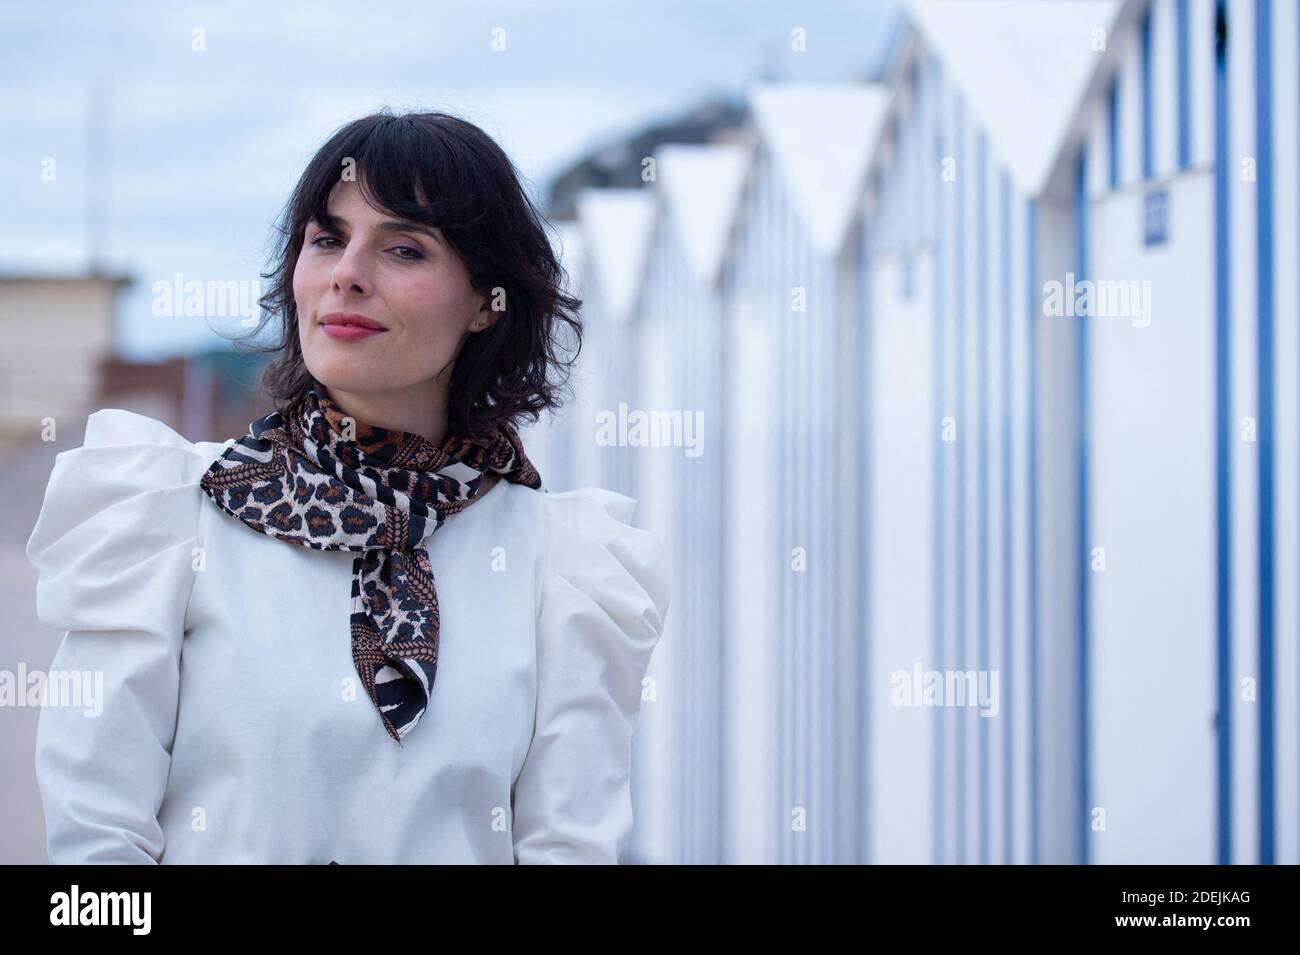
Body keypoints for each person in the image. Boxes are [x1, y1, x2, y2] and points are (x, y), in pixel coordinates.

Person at [25, 110, 671, 864]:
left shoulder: (566, 563)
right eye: (328, 238)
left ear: (484, 303)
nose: (348, 273)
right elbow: (95, 847)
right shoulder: (166, 514)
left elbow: (569, 847)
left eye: (403, 248)